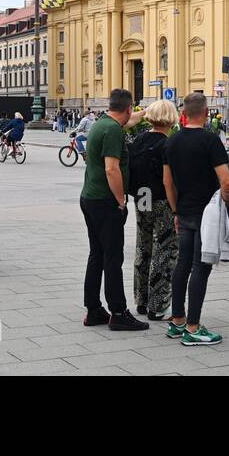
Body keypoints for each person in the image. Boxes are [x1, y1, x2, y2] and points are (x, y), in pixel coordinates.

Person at [163, 92, 229, 346]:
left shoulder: (171, 141)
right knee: (200, 267)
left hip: (184, 210)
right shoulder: (210, 140)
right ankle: (193, 327)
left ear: (184, 113)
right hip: (208, 214)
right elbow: (226, 181)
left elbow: (167, 182)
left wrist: (175, 210)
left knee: (182, 265)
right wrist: (226, 204)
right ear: (205, 113)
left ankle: (178, 320)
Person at [80, 88, 150, 331]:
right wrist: (121, 202)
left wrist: (146, 113)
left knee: (97, 255)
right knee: (113, 257)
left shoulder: (103, 123)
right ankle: (118, 312)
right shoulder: (112, 131)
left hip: (89, 198)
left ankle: (93, 309)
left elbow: (129, 120)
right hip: (105, 202)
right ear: (128, 107)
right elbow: (112, 169)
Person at [128, 98, 180, 320]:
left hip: (141, 198)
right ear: (171, 119)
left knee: (144, 246)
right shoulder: (168, 144)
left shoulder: (139, 140)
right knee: (165, 249)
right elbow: (169, 181)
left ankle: (141, 299)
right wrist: (176, 208)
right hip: (161, 200)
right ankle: (157, 305)